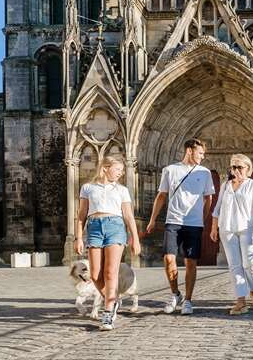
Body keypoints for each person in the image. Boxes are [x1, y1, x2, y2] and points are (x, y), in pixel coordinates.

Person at [146, 138, 215, 315]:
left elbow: (209, 198)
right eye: (200, 153)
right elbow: (162, 196)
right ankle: (175, 293)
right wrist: (153, 219)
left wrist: (203, 218)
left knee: (191, 262)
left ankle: (189, 300)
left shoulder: (205, 172)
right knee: (169, 259)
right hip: (173, 221)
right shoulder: (170, 170)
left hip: (194, 223)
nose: (202, 156)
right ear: (189, 150)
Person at [75, 155, 141, 331]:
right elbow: (81, 215)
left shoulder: (122, 190)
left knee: (110, 272)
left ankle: (108, 312)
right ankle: (112, 300)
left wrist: (135, 238)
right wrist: (79, 237)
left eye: (121, 170)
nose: (120, 173)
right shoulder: (87, 188)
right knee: (95, 274)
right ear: (105, 167)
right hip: (94, 228)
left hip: (115, 227)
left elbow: (128, 216)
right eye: (117, 169)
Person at [210, 153, 253, 315]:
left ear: (247, 169)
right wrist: (214, 228)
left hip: (247, 228)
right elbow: (217, 209)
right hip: (227, 229)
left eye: (239, 167)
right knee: (235, 265)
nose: (235, 170)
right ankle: (241, 301)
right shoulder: (226, 186)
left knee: (249, 263)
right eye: (233, 167)